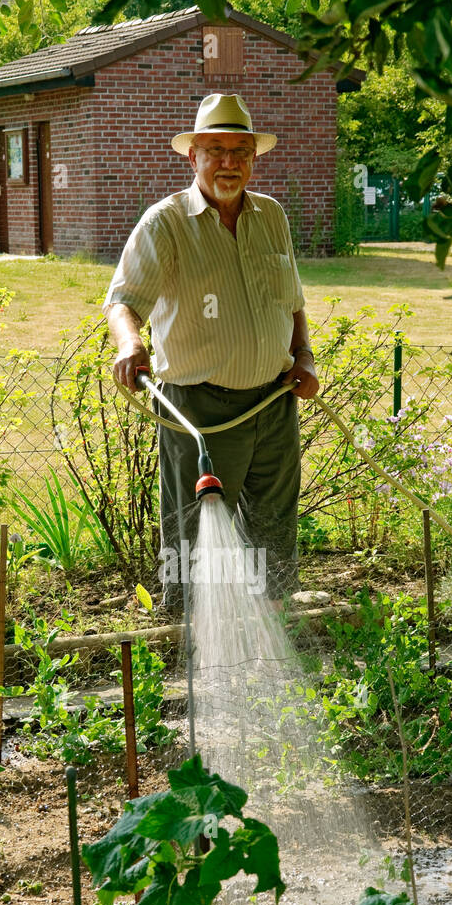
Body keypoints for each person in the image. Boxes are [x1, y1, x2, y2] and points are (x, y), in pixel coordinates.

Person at [103, 92, 318, 610]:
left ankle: (275, 615)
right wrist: (131, 344)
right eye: (216, 150)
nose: (229, 163)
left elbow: (292, 301)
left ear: (253, 157)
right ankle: (185, 630)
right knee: (193, 529)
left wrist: (304, 356)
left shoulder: (271, 216)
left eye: (240, 151)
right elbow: (122, 301)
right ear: (192, 155)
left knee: (274, 522)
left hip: (274, 401)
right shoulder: (165, 223)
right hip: (200, 406)